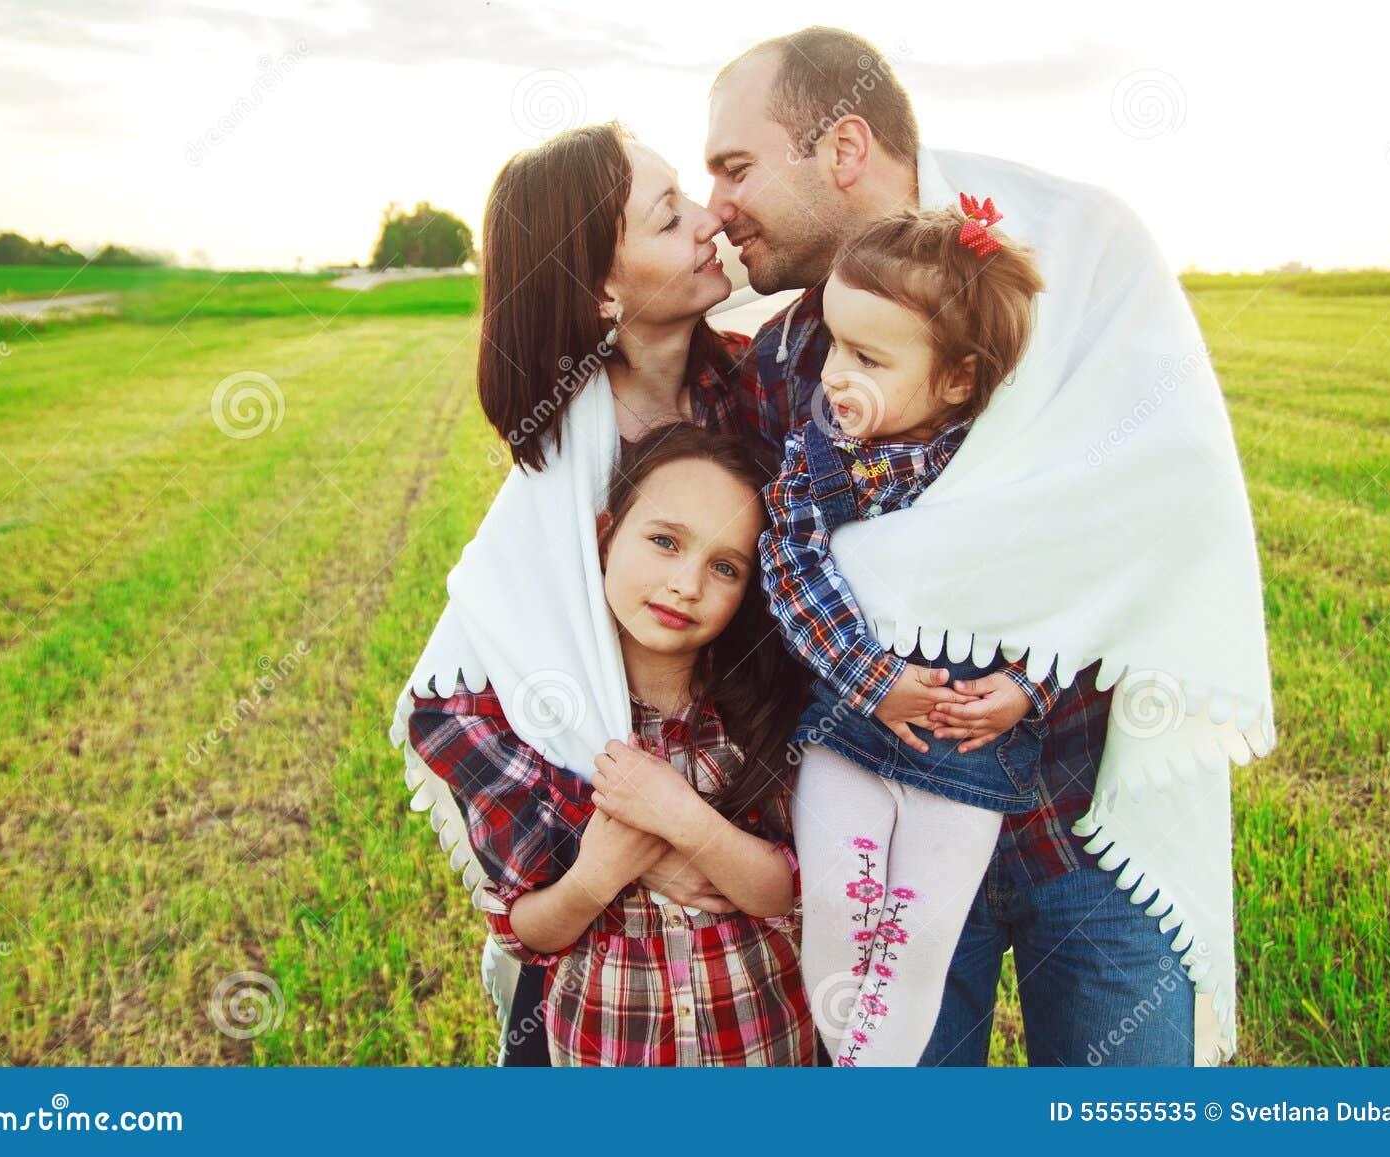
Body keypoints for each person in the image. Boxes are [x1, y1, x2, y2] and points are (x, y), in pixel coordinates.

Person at [706, 26, 1275, 1065]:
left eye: (733, 167)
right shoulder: (780, 363)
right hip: (886, 822)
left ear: (841, 148)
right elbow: (760, 562)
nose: (715, 207)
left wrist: (1032, 681)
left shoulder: (1077, 254)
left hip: (1084, 823)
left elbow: (1153, 516)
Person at [390, 121, 808, 1064]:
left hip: (756, 866)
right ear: (603, 288)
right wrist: (633, 838)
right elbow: (455, 698)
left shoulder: (759, 390)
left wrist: (707, 829)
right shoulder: (560, 458)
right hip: (609, 893)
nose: (711, 220)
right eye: (670, 219)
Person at [760, 201, 1061, 1065]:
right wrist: (869, 674)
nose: (834, 377)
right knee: (839, 914)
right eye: (832, 347)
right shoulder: (819, 455)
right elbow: (792, 567)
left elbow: (1059, 588)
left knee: (918, 937)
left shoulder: (1006, 464)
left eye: (866, 357)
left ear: (959, 379)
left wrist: (1026, 687)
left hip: (966, 744)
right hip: (854, 730)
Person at [472, 424, 813, 1065]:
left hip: (758, 1049)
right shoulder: (547, 724)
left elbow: (793, 891)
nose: (687, 584)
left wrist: (681, 818)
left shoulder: (760, 718)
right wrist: (599, 873)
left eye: (724, 566)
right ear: (604, 537)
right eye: (663, 542)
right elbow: (523, 933)